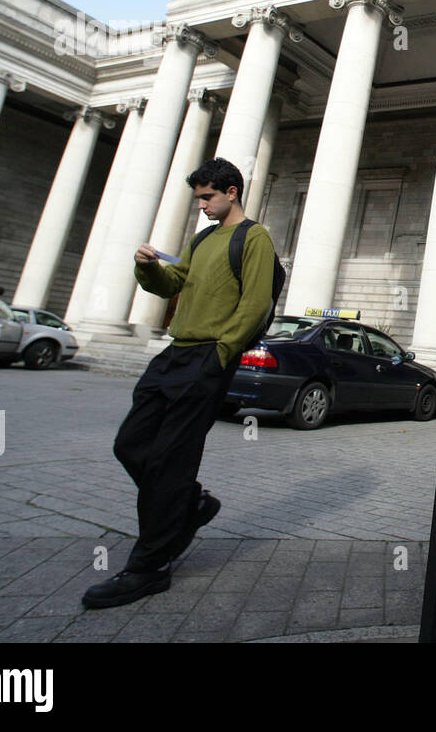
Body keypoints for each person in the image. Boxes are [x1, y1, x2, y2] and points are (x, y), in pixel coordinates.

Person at [82, 157, 277, 609]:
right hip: (173, 355)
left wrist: (221, 355)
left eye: (208, 197)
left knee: (171, 459)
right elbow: (173, 284)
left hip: (208, 356)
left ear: (232, 192)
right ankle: (190, 505)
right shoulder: (203, 238)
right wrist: (147, 266)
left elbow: (255, 305)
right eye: (198, 199)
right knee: (130, 444)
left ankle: (149, 566)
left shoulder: (255, 237)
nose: (202, 206)